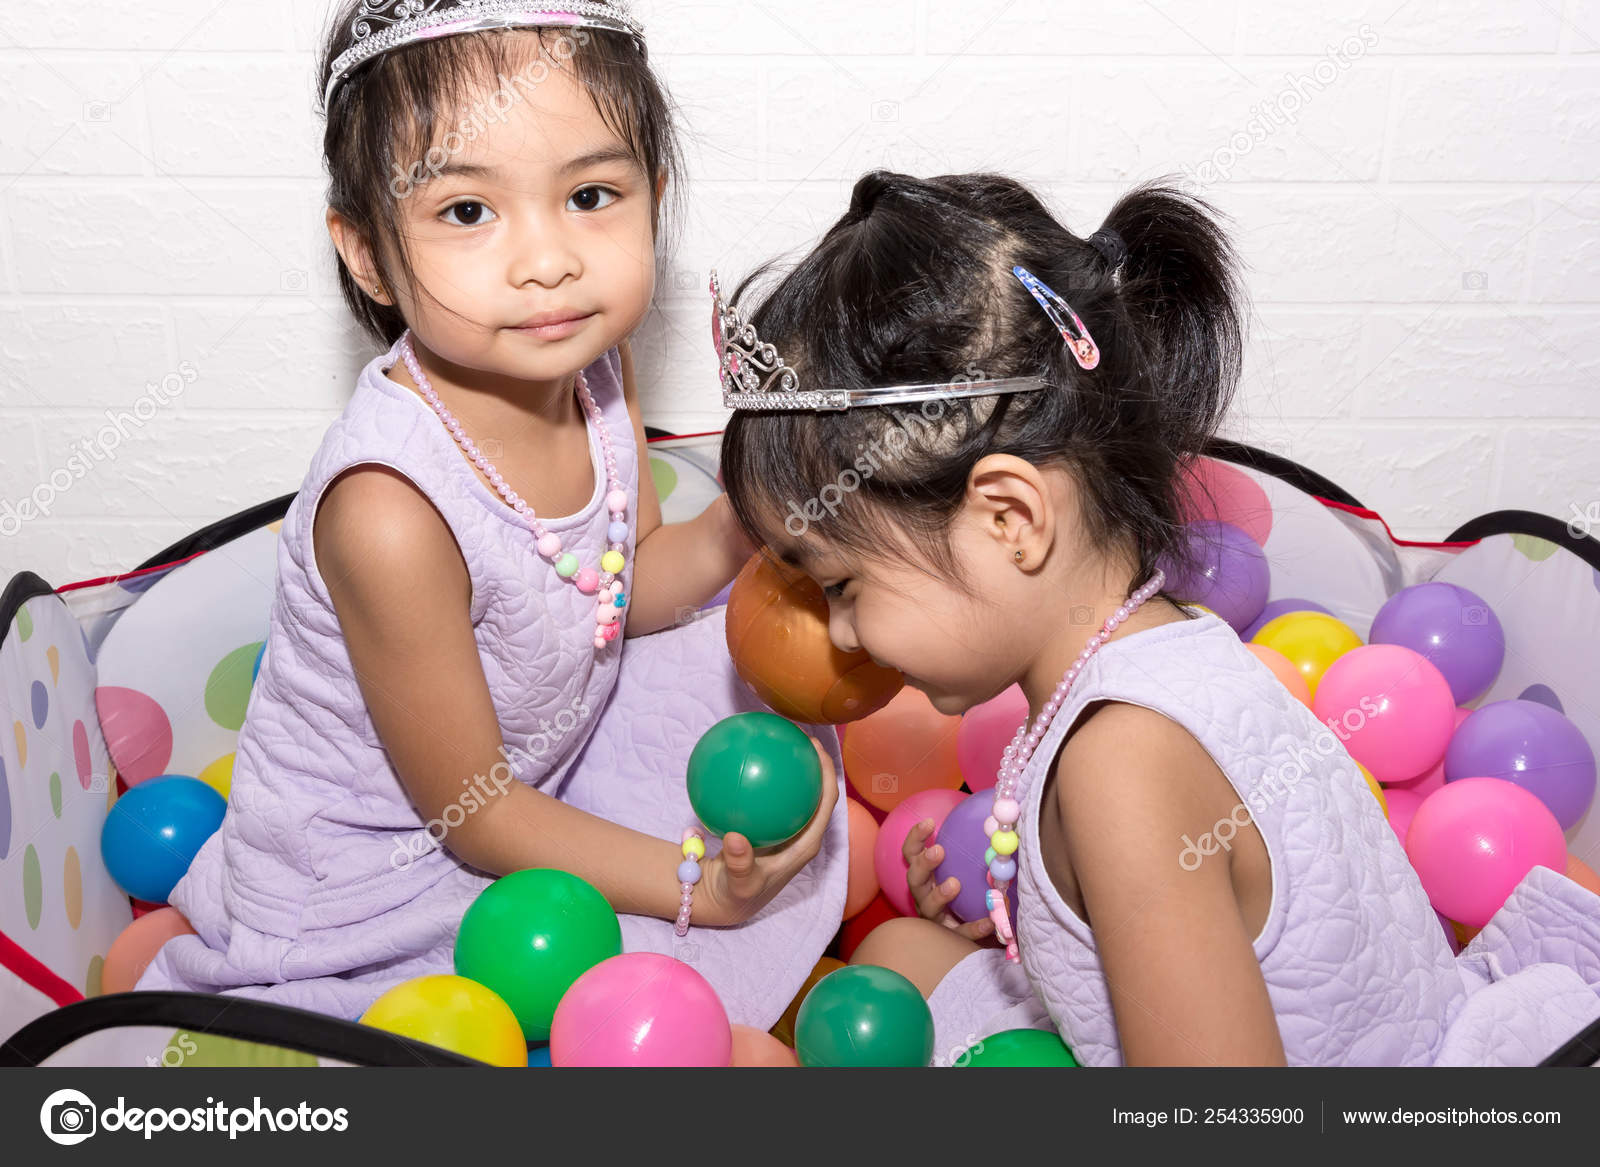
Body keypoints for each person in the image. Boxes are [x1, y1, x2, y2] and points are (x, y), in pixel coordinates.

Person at [712, 167, 1600, 1065]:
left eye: (844, 587)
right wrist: (1023, 914)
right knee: (902, 947)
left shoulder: (1121, 763)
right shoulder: (1168, 639)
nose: (845, 636)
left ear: (1011, 519)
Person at [136, 0, 847, 1031]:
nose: (548, 260)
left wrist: (750, 518)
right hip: (378, 887)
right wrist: (696, 885)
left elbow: (620, 589)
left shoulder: (593, 368)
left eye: (592, 194)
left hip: (549, 773)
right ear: (368, 255)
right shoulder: (388, 511)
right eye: (468, 212)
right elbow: (477, 817)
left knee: (731, 654)